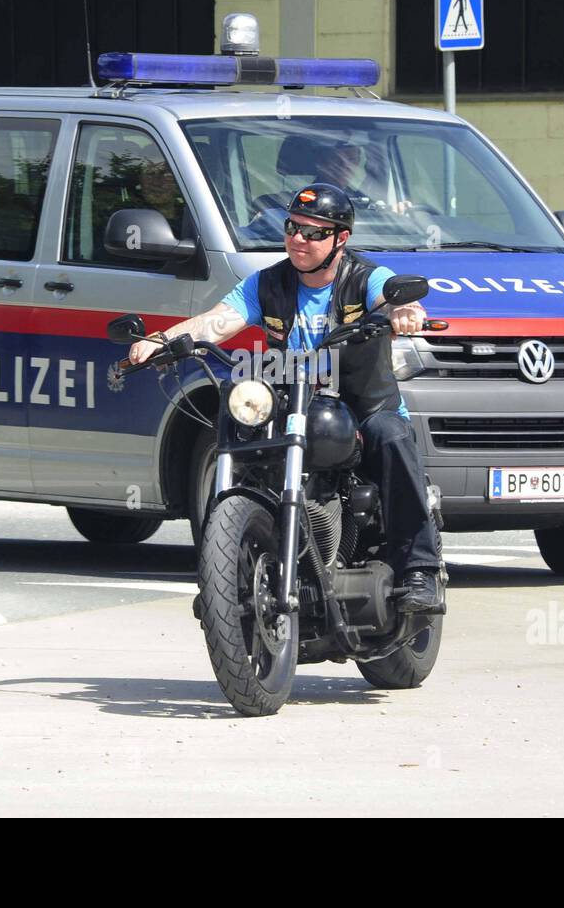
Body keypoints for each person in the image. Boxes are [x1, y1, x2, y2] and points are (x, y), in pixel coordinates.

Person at [128, 183, 443, 612]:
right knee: (244, 437)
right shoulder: (267, 284)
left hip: (364, 407)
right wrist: (162, 340)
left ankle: (418, 570)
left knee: (391, 436)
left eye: (315, 233)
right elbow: (217, 322)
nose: (299, 239)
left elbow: (394, 302)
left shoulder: (365, 278)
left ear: (340, 239)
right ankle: (232, 573)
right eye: (293, 227)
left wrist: (405, 314)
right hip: (294, 406)